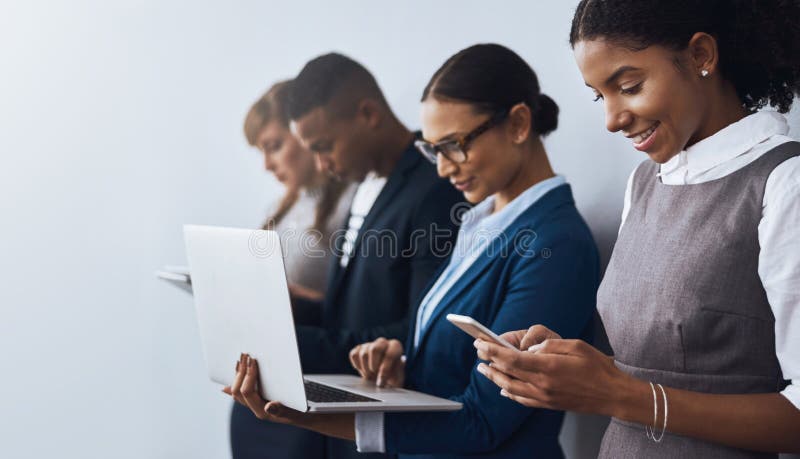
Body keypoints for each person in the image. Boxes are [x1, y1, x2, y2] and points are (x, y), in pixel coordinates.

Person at [226, 44, 601, 459]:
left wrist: (306, 415)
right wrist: (400, 359)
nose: (442, 168)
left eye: (455, 145)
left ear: (517, 124)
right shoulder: (483, 223)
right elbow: (451, 363)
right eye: (433, 150)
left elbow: (482, 421)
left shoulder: (556, 243)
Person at [476, 1, 800, 457]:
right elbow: (661, 371)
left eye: (628, 86)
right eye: (599, 95)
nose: (612, 119)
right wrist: (573, 367)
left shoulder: (785, 182)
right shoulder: (646, 180)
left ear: (701, 55)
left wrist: (619, 395)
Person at [241, 53, 464, 459]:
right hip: (343, 429)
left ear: (368, 114)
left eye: (324, 147)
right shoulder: (361, 185)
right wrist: (287, 307)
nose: (322, 164)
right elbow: (356, 308)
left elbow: (420, 332)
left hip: (388, 430)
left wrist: (291, 344)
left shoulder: (436, 188)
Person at [233, 79, 356, 459]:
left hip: (309, 386)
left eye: (274, 146)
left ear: (303, 134)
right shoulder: (282, 207)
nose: (268, 164)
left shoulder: (352, 203)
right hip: (260, 384)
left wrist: (295, 298)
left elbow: (352, 304)